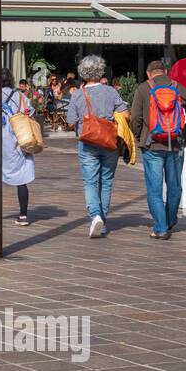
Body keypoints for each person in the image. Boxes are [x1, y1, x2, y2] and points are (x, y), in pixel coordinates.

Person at [129, 59, 186, 240]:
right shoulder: (178, 87)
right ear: (166, 72)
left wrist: (139, 137)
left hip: (152, 144)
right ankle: (169, 220)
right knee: (174, 186)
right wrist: (184, 134)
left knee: (154, 189)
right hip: (175, 144)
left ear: (148, 74)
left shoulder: (143, 89)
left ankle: (160, 228)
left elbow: (135, 118)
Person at [66, 54, 125, 238]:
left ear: (82, 73)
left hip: (87, 142)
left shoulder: (77, 95)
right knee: (106, 181)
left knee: (90, 181)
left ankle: (95, 215)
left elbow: (70, 122)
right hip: (109, 141)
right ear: (101, 71)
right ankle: (103, 221)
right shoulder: (111, 92)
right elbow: (125, 113)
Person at [0, 68, 35, 225]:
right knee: (22, 178)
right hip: (20, 139)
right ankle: (23, 215)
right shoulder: (20, 96)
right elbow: (30, 112)